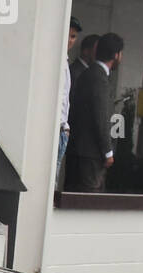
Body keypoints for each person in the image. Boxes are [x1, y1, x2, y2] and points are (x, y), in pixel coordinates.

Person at [66, 31, 122, 193]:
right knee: (86, 202)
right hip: (91, 155)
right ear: (116, 55)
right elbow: (101, 117)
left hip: (77, 150)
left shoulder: (86, 74)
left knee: (73, 199)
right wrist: (108, 151)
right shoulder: (99, 78)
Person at [58, 18, 81, 191]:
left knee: (55, 177)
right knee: (51, 177)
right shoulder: (56, 60)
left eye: (74, 36)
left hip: (62, 130)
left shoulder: (65, 61)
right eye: (68, 35)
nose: (70, 40)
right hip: (56, 130)